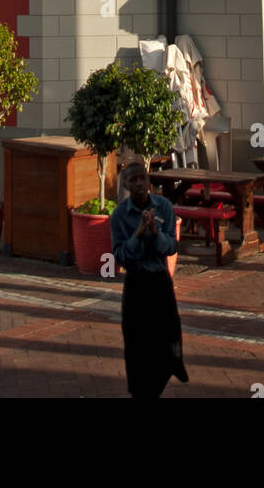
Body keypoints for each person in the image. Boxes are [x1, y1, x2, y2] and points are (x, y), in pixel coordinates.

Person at [110, 161, 188, 398]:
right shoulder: (119, 216)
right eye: (133, 180)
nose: (139, 184)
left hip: (159, 281)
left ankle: (167, 371)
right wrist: (138, 234)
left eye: (142, 178)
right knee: (136, 344)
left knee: (168, 338)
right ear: (125, 184)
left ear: (149, 180)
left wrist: (155, 232)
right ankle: (142, 391)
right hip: (136, 284)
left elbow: (172, 247)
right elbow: (120, 256)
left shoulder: (163, 207)